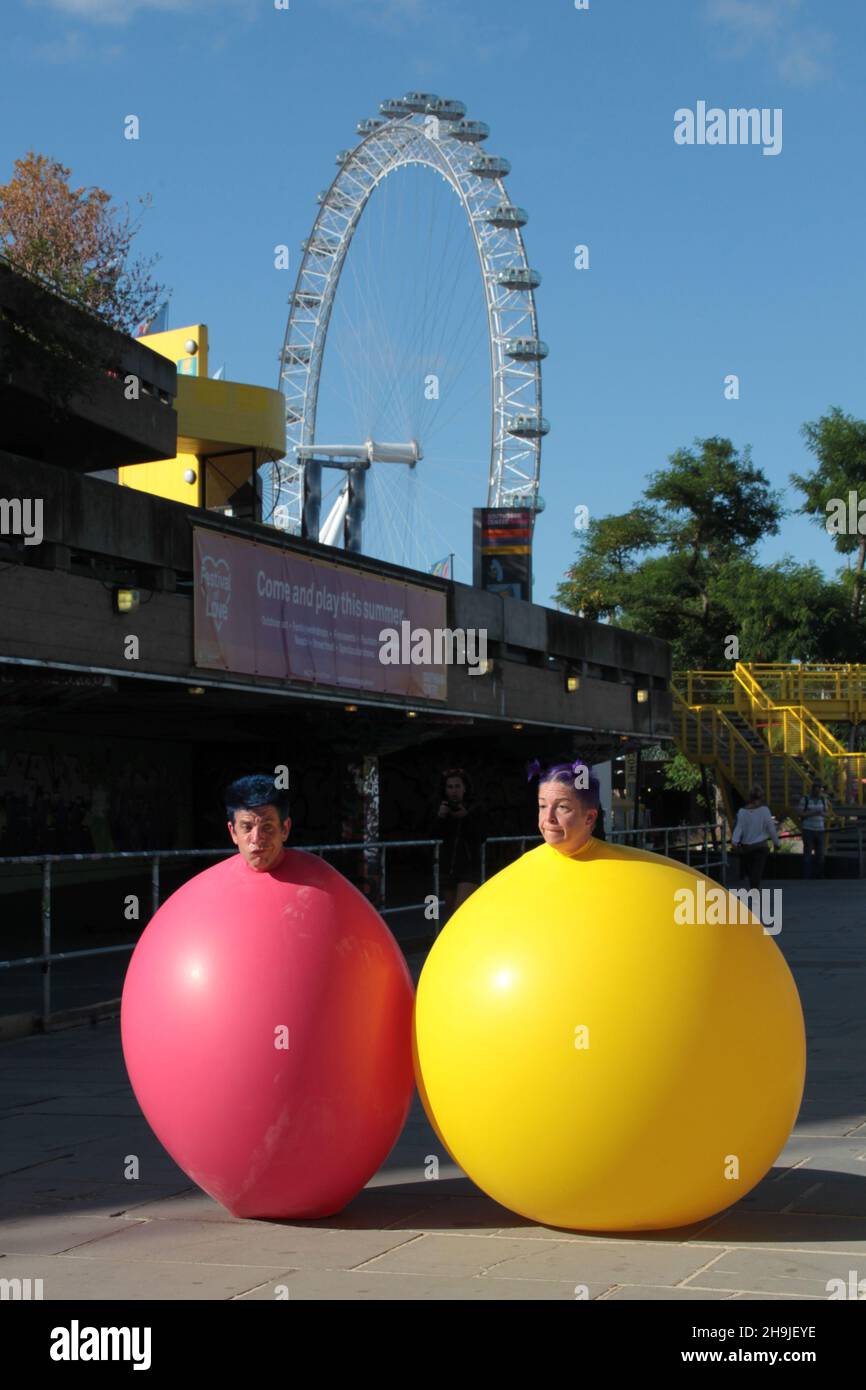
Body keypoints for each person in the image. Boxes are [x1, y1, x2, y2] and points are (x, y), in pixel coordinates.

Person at [430, 767, 486, 920]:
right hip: (447, 867)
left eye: (457, 786)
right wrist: (440, 816)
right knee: (450, 914)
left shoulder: (475, 808)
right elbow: (431, 837)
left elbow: (481, 836)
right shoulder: (440, 808)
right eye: (450, 787)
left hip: (468, 867)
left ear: (465, 788)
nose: (454, 791)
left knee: (460, 913)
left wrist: (465, 817)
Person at [528, 757, 601, 857]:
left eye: (562, 807)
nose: (549, 818)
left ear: (590, 817)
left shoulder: (627, 868)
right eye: (543, 806)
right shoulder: (518, 870)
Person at [225, 773, 291, 873]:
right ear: (233, 832)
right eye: (247, 827)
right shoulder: (209, 886)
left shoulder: (318, 877)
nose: (256, 839)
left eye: (267, 827)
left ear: (285, 829)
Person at [731, 786, 780, 891]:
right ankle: (755, 891)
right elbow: (771, 828)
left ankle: (754, 890)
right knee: (757, 871)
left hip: (747, 847)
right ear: (762, 797)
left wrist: (734, 842)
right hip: (761, 846)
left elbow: (739, 828)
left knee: (751, 872)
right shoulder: (764, 810)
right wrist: (777, 843)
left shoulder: (742, 812)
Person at [798, 779, 831, 880]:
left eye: (819, 791)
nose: (818, 793)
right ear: (812, 790)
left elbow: (827, 814)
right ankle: (806, 876)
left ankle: (819, 876)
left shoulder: (823, 800)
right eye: (816, 791)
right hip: (808, 829)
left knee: (820, 853)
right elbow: (800, 813)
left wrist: (822, 814)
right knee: (807, 853)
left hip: (820, 829)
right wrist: (812, 813)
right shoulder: (805, 799)